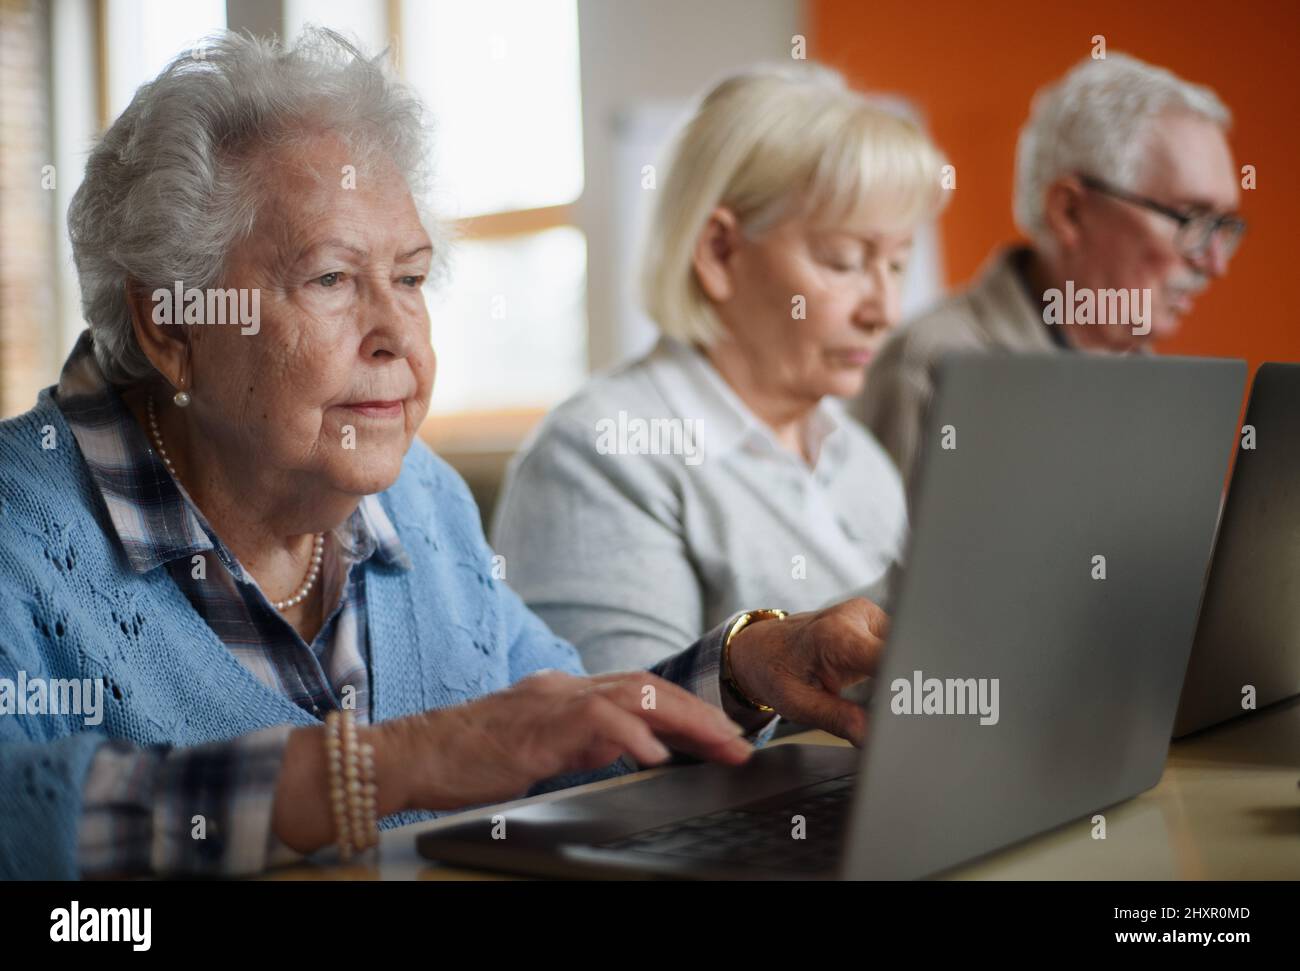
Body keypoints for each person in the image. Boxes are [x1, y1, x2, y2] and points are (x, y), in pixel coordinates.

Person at [0, 30, 892, 880]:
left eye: (414, 278)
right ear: (172, 323)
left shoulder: (419, 497)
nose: (399, 334)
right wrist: (397, 762)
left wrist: (745, 671)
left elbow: (561, 738)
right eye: (331, 280)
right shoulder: (23, 530)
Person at [492, 65, 947, 672]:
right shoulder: (598, 453)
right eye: (844, 261)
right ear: (719, 252)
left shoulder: (858, 458)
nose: (885, 311)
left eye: (895, 265)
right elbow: (622, 740)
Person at [851, 52, 1245, 489]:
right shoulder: (929, 369)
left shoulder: (1162, 393)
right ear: (1070, 211)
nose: (1216, 263)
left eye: (1223, 226)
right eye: (1191, 219)